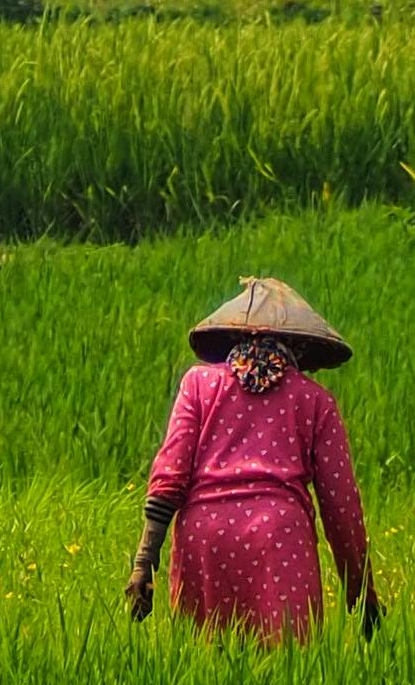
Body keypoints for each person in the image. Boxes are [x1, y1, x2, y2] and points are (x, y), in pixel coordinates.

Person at [128, 273, 381, 644]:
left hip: (204, 537)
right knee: (286, 667)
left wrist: (144, 562)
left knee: (203, 667)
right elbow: (340, 506)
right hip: (278, 539)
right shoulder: (315, 401)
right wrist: (361, 593)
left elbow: (169, 476)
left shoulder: (198, 384)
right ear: (299, 349)